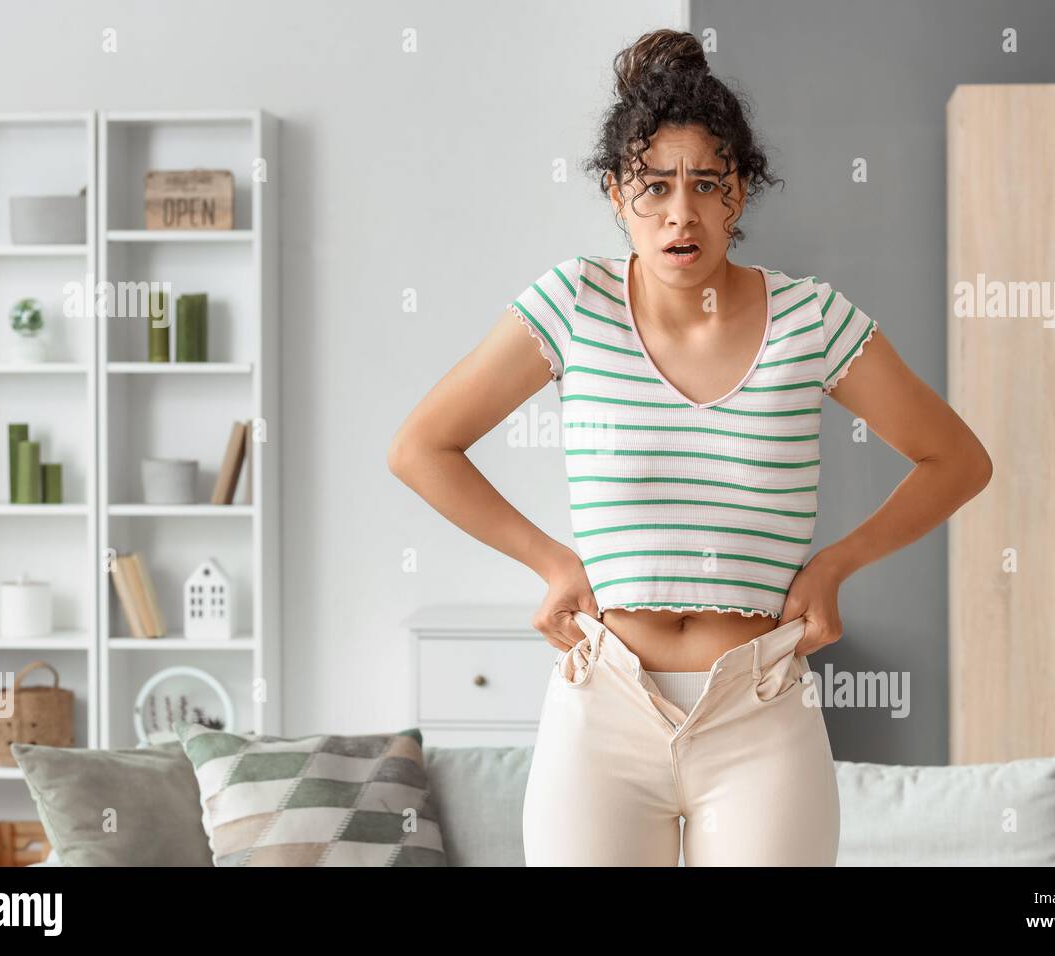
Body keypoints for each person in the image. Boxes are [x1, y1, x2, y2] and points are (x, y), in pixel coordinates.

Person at [388, 29, 992, 866]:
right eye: (654, 187)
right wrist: (552, 562)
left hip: (759, 711)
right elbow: (422, 447)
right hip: (602, 711)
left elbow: (958, 460)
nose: (681, 213)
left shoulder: (811, 319)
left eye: (707, 184)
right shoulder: (573, 303)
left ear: (738, 195)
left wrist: (834, 565)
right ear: (614, 194)